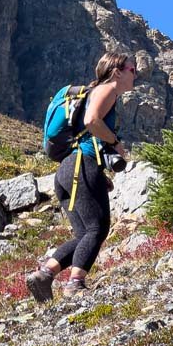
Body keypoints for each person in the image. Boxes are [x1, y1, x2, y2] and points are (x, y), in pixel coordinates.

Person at [25, 51, 137, 302]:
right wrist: (115, 143)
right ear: (117, 72)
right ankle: (75, 285)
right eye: (132, 69)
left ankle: (44, 275)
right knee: (98, 228)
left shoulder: (91, 92)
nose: (135, 74)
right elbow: (92, 120)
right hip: (80, 167)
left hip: (68, 170)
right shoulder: (108, 89)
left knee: (84, 233)